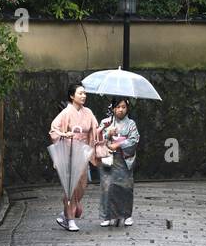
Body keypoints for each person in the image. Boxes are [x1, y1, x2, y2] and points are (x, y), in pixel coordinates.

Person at [49, 82, 100, 232]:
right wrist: (65, 134)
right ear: (72, 96)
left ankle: (65, 214)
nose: (83, 96)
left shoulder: (88, 112)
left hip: (83, 151)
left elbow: (95, 130)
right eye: (80, 93)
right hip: (69, 152)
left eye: (84, 93)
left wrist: (106, 131)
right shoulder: (66, 113)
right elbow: (54, 129)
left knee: (82, 185)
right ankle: (70, 219)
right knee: (70, 185)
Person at [97, 98, 140, 226]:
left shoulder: (131, 124)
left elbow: (134, 140)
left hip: (124, 159)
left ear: (127, 109)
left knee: (125, 187)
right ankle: (106, 216)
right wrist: (107, 134)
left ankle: (126, 215)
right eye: (118, 107)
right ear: (113, 108)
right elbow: (96, 138)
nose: (121, 110)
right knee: (107, 187)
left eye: (123, 107)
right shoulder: (106, 122)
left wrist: (119, 144)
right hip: (108, 158)